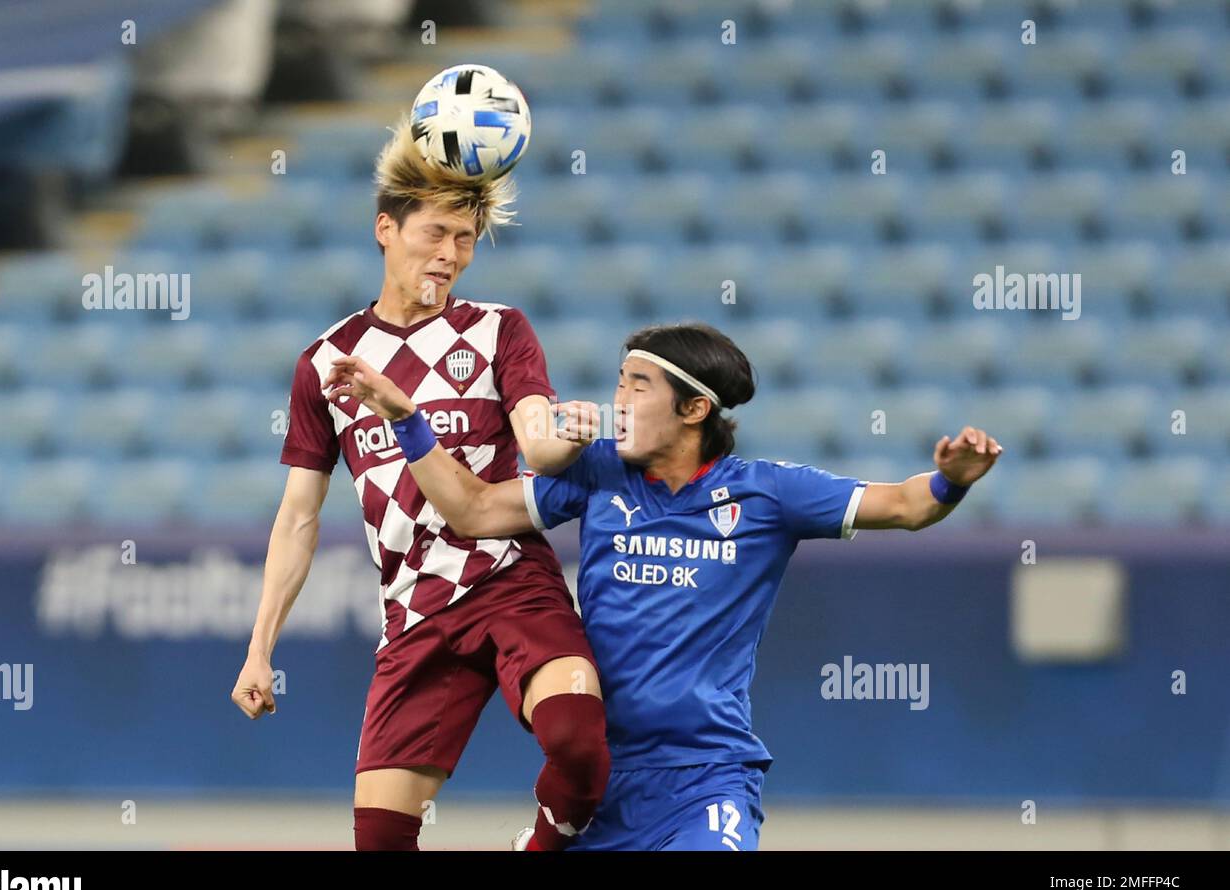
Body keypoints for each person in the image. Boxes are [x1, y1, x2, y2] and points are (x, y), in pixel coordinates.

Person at [321, 321, 1003, 850]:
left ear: (695, 408)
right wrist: (406, 420)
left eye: (637, 385)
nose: (617, 400)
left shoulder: (769, 494)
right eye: (619, 381)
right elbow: (472, 510)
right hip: (598, 786)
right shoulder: (596, 475)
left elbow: (909, 507)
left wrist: (952, 480)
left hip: (705, 777)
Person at [231, 114, 610, 852]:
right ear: (386, 228)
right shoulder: (327, 362)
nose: (451, 255)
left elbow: (535, 434)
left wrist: (564, 434)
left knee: (578, 742)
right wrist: (258, 647)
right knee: (378, 843)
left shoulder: (501, 329)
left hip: (511, 581)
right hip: (414, 613)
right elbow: (298, 519)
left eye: (465, 239)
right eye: (435, 233)